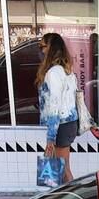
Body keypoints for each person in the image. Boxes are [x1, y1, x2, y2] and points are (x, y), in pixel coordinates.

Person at [36, 32, 80, 184]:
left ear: (51, 49)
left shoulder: (54, 73)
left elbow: (54, 106)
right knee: (62, 169)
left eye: (42, 47)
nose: (41, 51)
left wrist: (50, 138)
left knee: (63, 170)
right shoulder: (67, 71)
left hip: (61, 125)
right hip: (69, 124)